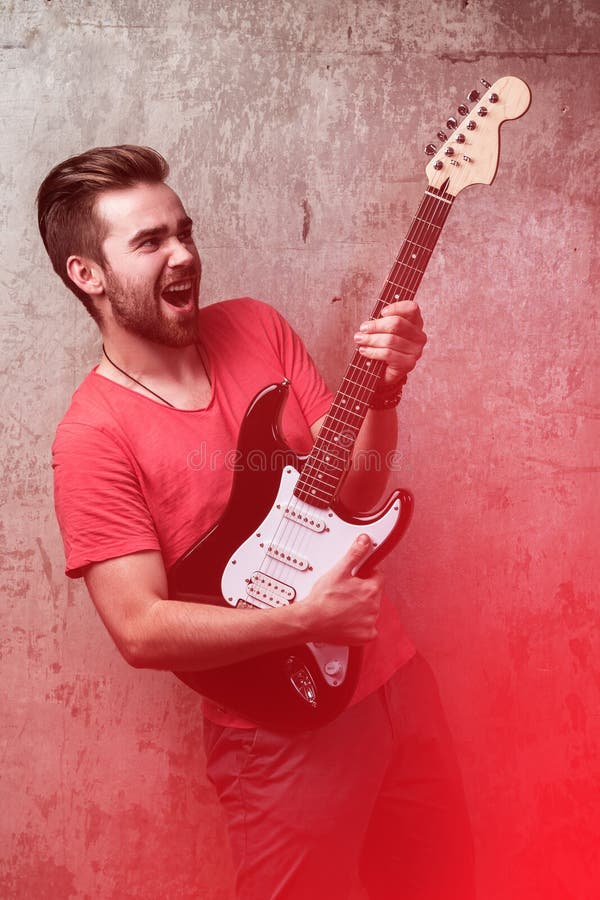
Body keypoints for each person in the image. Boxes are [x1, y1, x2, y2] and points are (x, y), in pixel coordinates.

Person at [39, 145, 475, 899]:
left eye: (185, 230)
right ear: (88, 274)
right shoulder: (93, 436)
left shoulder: (255, 329)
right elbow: (140, 628)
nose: (183, 254)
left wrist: (385, 392)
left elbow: (356, 489)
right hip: (278, 733)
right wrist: (306, 619)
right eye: (150, 242)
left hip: (395, 681)